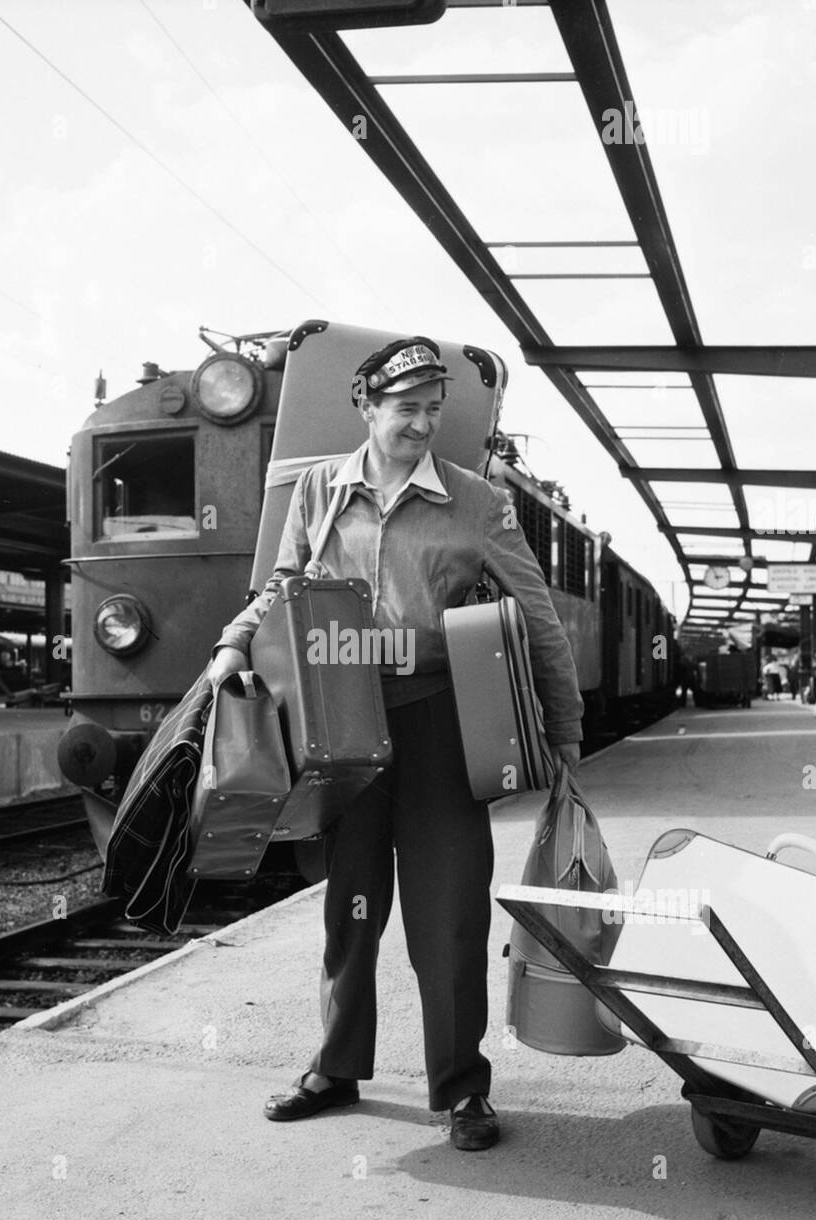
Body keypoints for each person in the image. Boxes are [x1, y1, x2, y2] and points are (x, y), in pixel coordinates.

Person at [207, 336, 584, 1151]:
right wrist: (234, 643)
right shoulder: (317, 490)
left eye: (431, 410)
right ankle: (335, 1068)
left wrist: (565, 730)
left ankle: (460, 1090)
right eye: (405, 408)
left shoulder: (475, 503)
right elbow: (280, 586)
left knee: (446, 914)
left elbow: (539, 618)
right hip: (339, 726)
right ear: (366, 409)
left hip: (437, 722)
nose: (420, 423)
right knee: (350, 904)